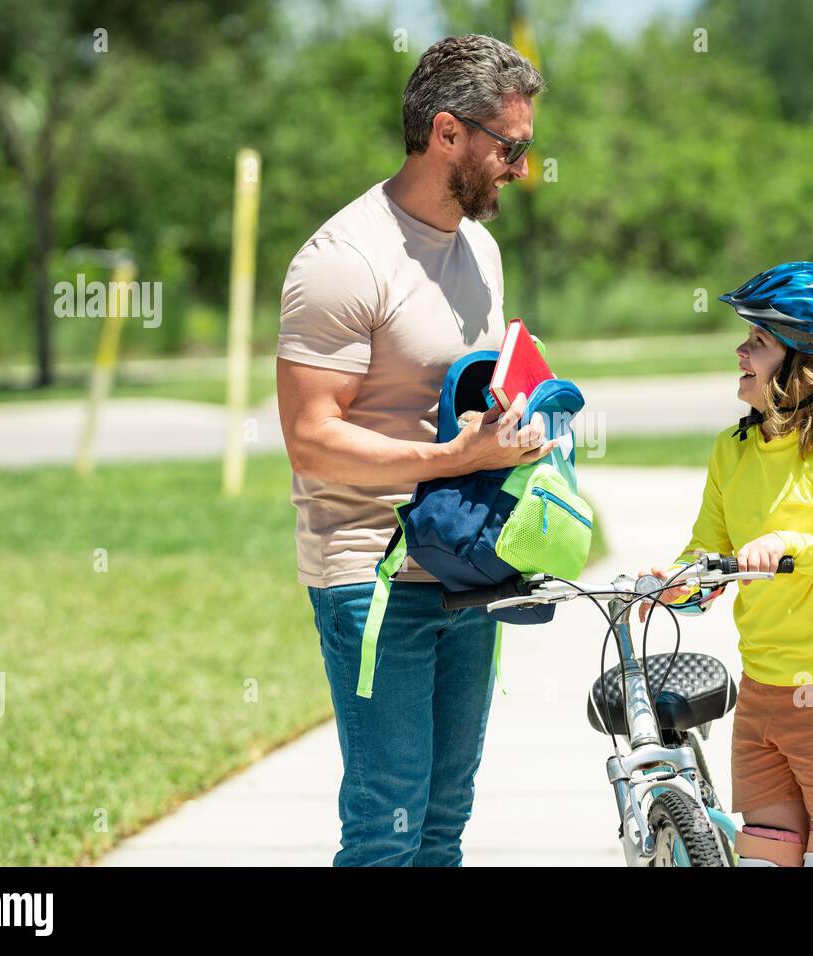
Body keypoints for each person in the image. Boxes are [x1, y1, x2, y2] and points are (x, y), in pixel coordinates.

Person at [274, 34, 554, 866]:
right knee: (386, 825)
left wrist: (514, 428)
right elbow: (311, 440)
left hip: (469, 563)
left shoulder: (480, 248)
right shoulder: (342, 261)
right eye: (512, 148)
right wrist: (452, 462)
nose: (521, 169)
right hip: (371, 572)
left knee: (443, 822)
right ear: (447, 133)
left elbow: (462, 395)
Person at [638, 261, 813, 867]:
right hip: (764, 696)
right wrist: (675, 586)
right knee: (765, 860)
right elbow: (706, 558)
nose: (740, 350)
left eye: (760, 342)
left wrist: (810, 553)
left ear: (811, 365)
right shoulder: (731, 451)